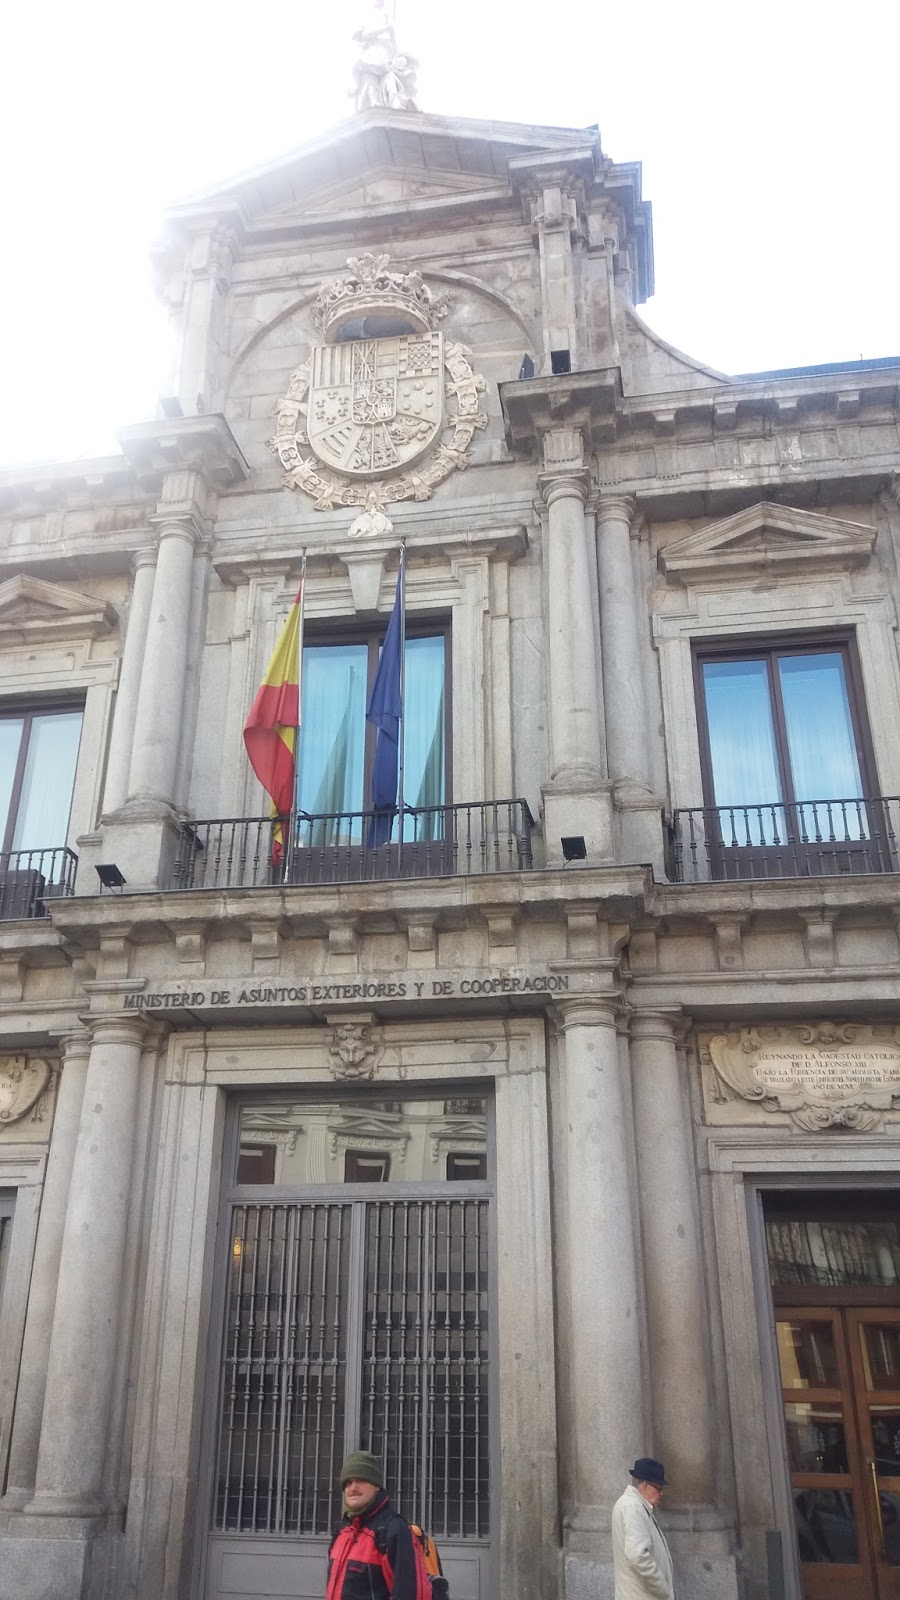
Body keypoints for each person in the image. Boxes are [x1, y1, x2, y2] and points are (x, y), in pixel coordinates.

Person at [326, 1449, 431, 1600]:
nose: (353, 1488)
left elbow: (411, 1594)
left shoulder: (394, 1530)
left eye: (360, 1480)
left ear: (376, 1486)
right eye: (348, 1483)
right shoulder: (342, 1532)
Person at [611, 1457, 676, 1600]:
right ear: (645, 1486)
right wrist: (664, 1590)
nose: (661, 1494)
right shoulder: (633, 1507)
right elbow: (638, 1556)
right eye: (659, 1489)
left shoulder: (636, 1506)